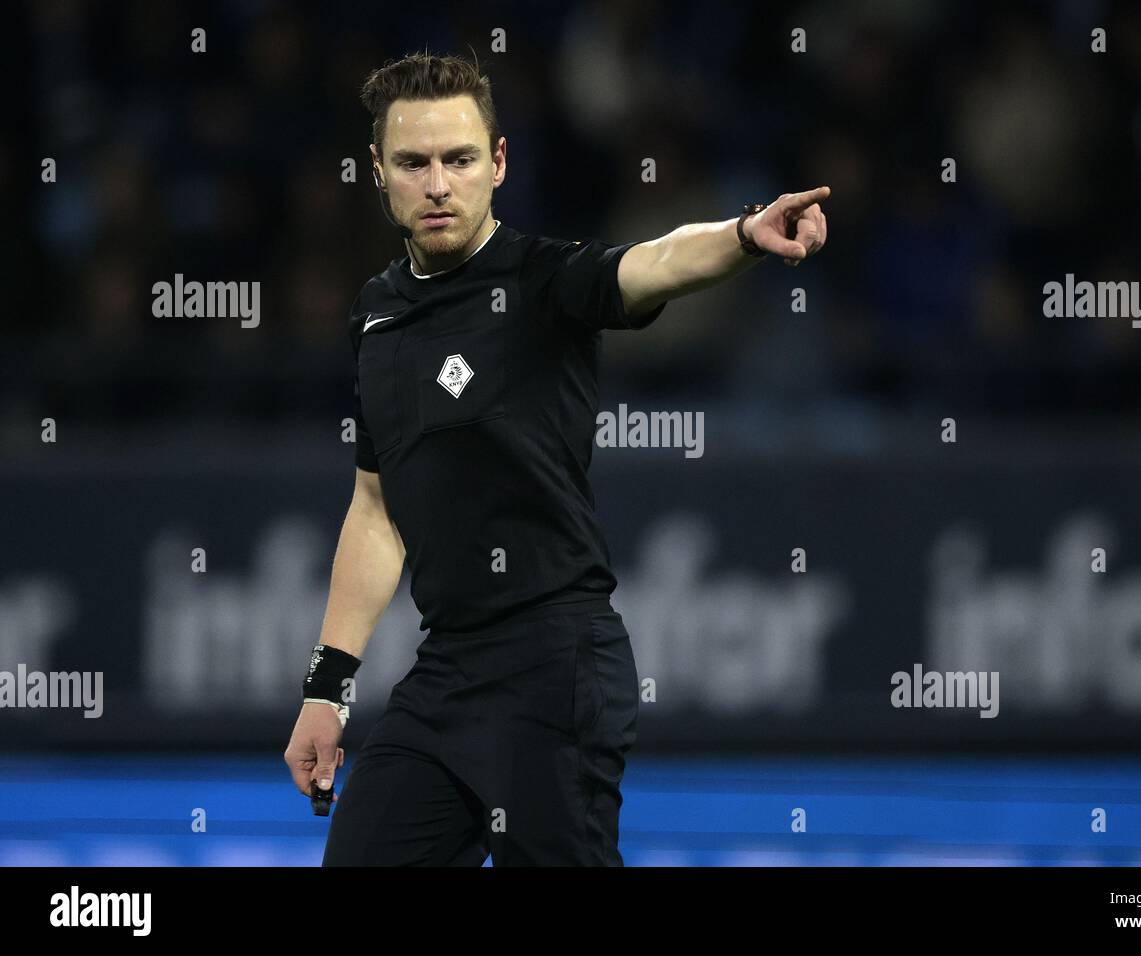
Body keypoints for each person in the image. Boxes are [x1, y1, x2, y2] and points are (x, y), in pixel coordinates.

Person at [283, 50, 829, 866]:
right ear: (379, 174)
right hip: (445, 675)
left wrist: (744, 236)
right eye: (414, 162)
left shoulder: (543, 283)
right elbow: (376, 509)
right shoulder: (377, 317)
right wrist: (326, 690)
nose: (439, 184)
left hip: (555, 669)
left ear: (497, 163)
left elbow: (654, 262)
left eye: (460, 159)